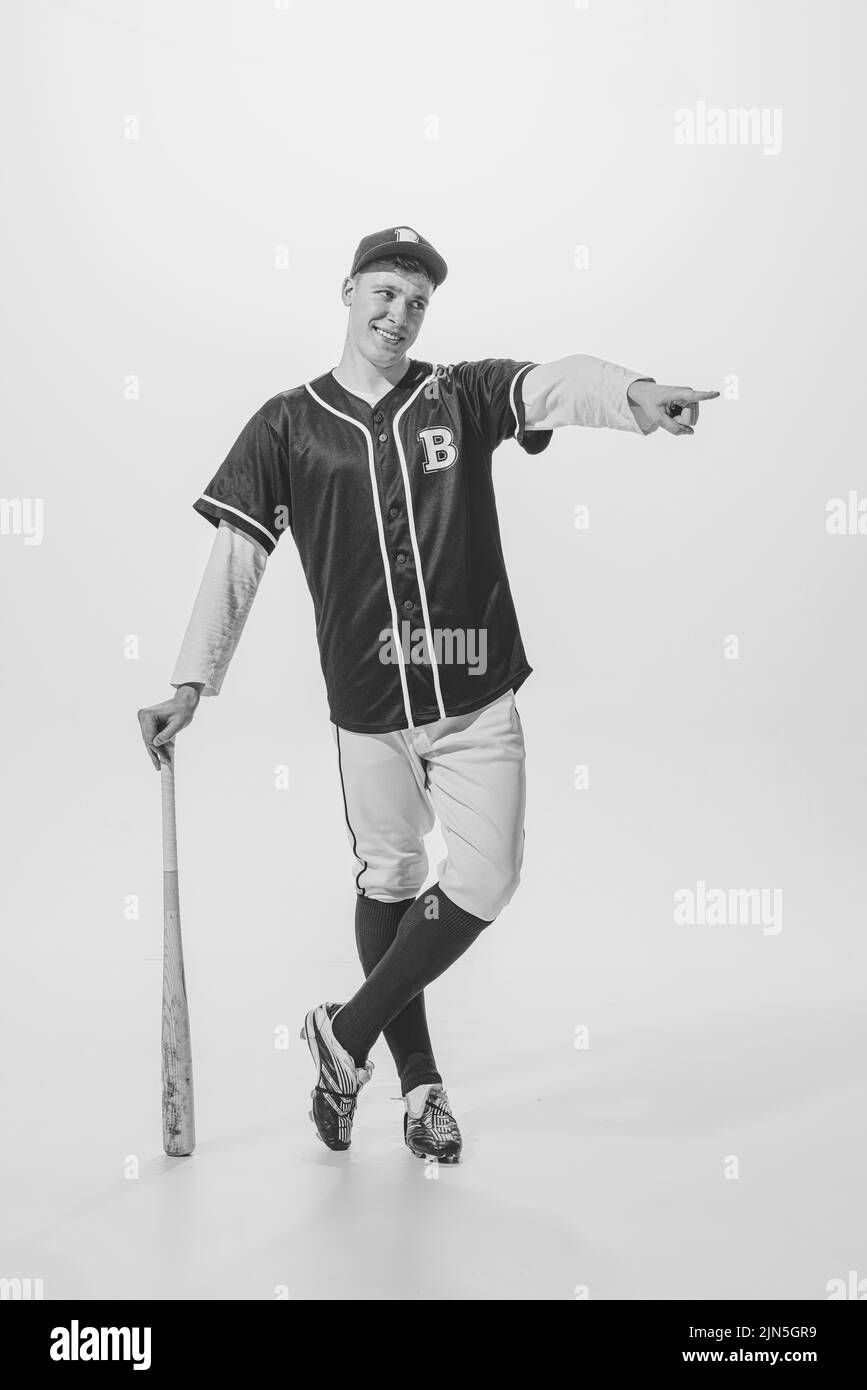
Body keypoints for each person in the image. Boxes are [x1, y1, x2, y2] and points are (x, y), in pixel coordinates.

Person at [137, 225, 718, 1164]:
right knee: (391, 880)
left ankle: (345, 1034)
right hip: (367, 709)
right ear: (347, 293)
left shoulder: (459, 394)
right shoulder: (286, 423)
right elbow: (238, 555)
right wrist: (190, 683)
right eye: (383, 291)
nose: (398, 312)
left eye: (415, 300)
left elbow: (553, 382)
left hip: (476, 699)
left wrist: (637, 395)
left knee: (485, 877)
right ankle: (421, 1092)